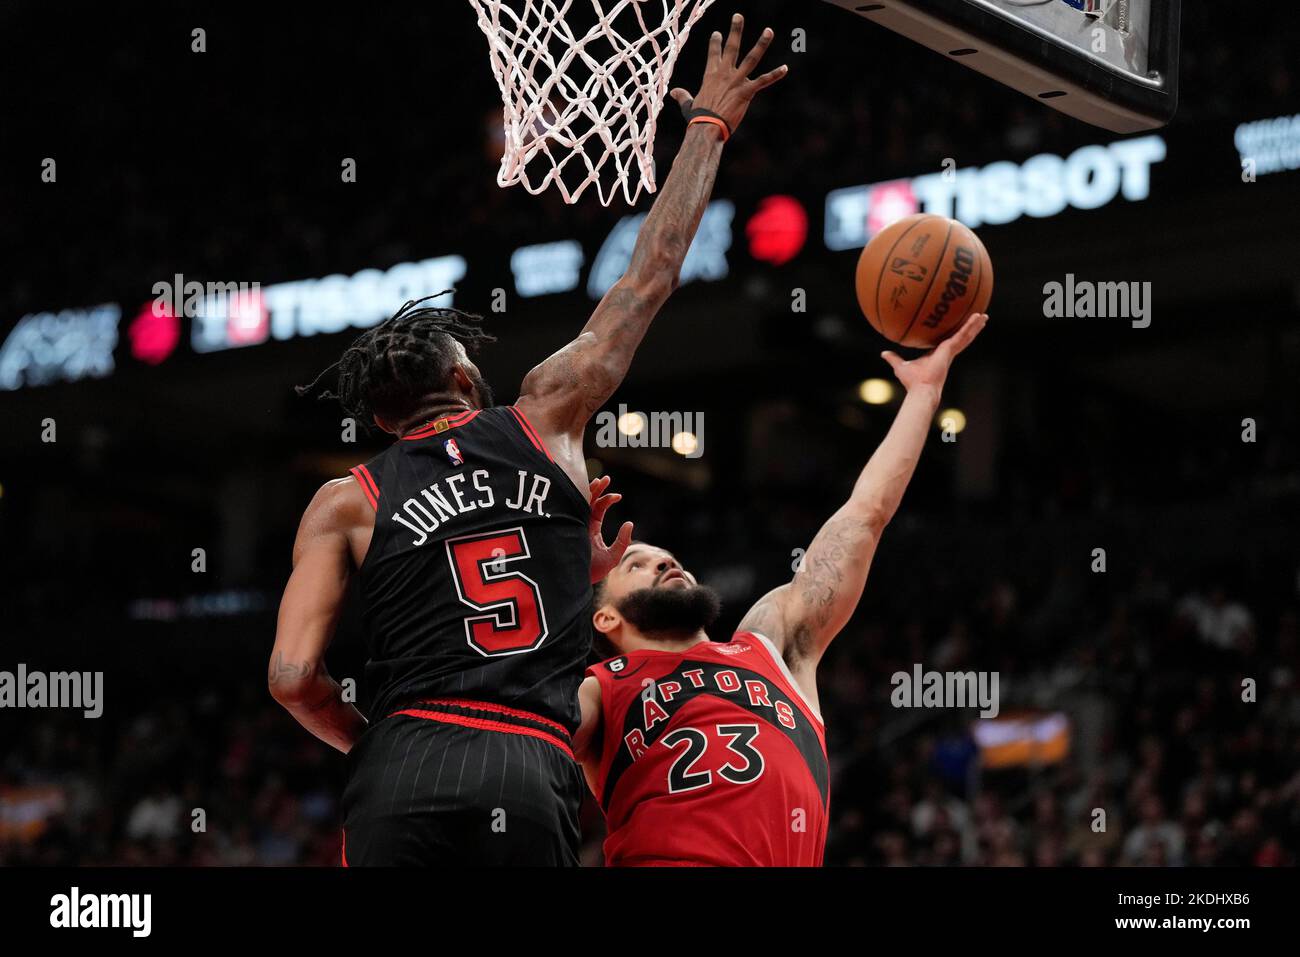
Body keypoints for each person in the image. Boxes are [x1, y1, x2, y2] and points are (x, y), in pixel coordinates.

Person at [267, 14, 786, 866]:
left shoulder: (343, 500)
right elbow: (649, 275)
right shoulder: (545, 413)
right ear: (464, 378)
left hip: (402, 761)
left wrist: (382, 745)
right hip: (523, 759)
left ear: (385, 420)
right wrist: (708, 126)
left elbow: (292, 678)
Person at [572, 313, 989, 866]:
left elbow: (863, 516)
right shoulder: (601, 687)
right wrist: (563, 574)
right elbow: (523, 721)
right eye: (637, 564)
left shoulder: (772, 644)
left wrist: (923, 395)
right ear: (605, 617)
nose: (665, 561)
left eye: (667, 556)